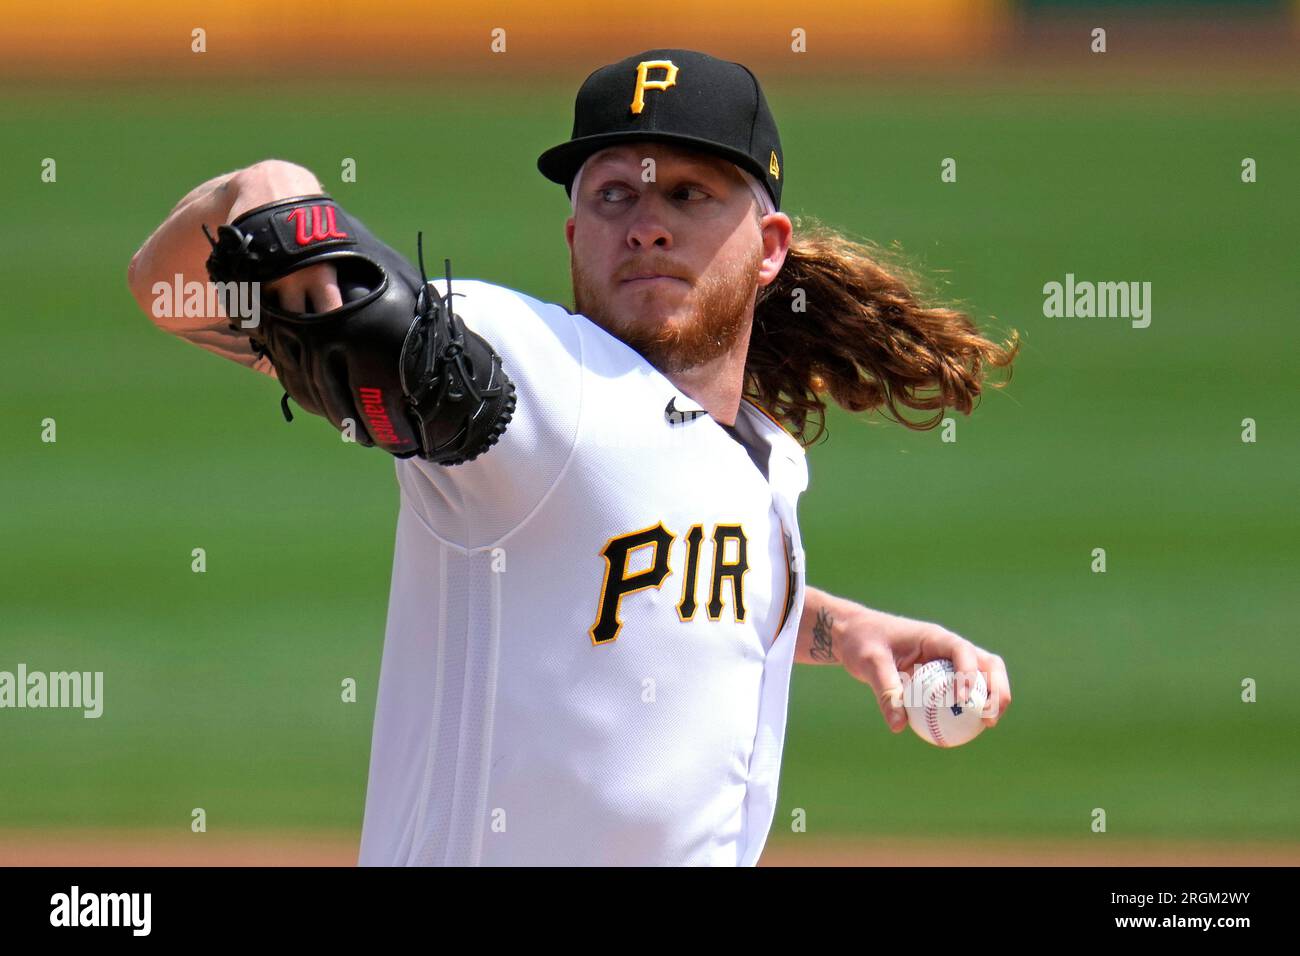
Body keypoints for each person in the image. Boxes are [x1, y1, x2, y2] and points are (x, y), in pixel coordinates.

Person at [127, 48, 1017, 866]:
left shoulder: (759, 459)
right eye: (614, 196)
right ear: (573, 235)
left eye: (688, 194)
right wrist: (262, 187)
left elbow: (644, 564)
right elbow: (168, 292)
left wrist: (838, 629)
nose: (646, 227)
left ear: (770, 249)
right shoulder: (531, 375)